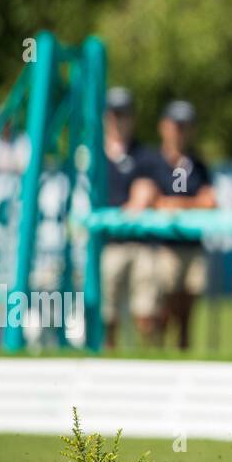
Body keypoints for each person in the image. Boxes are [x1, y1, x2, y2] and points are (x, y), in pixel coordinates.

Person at [125, 100, 215, 350]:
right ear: (164, 126)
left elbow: (209, 202)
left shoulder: (198, 164)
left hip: (191, 247)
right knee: (156, 313)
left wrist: (171, 204)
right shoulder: (150, 161)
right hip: (160, 248)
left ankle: (177, 362)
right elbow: (147, 199)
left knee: (185, 315)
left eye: (185, 126)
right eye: (176, 125)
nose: (180, 131)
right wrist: (187, 203)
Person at [99, 87, 163, 348]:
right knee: (107, 316)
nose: (118, 120)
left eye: (123, 114)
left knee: (145, 313)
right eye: (114, 114)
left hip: (140, 243)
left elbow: (145, 195)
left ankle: (149, 367)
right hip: (107, 244)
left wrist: (140, 199)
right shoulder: (92, 155)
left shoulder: (145, 155)